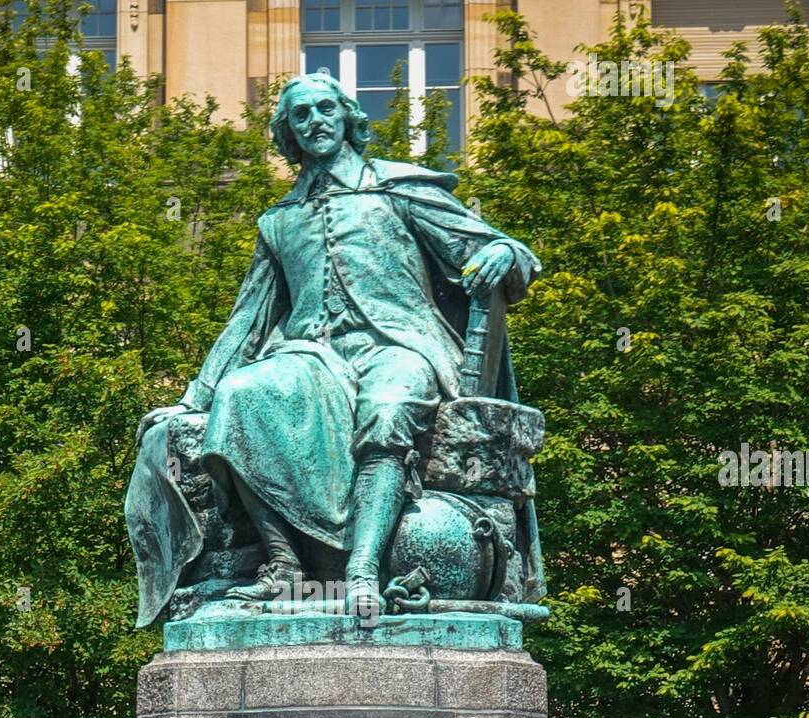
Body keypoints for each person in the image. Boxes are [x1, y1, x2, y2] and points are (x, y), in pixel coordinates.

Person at [129, 71, 540, 627]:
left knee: (388, 407)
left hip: (398, 344)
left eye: (325, 108)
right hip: (312, 353)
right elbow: (249, 317)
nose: (315, 120)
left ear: (347, 116)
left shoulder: (397, 189)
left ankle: (364, 569)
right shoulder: (278, 221)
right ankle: (283, 564)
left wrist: (505, 253)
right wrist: (193, 397)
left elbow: (496, 248)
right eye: (301, 115)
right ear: (288, 134)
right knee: (240, 394)